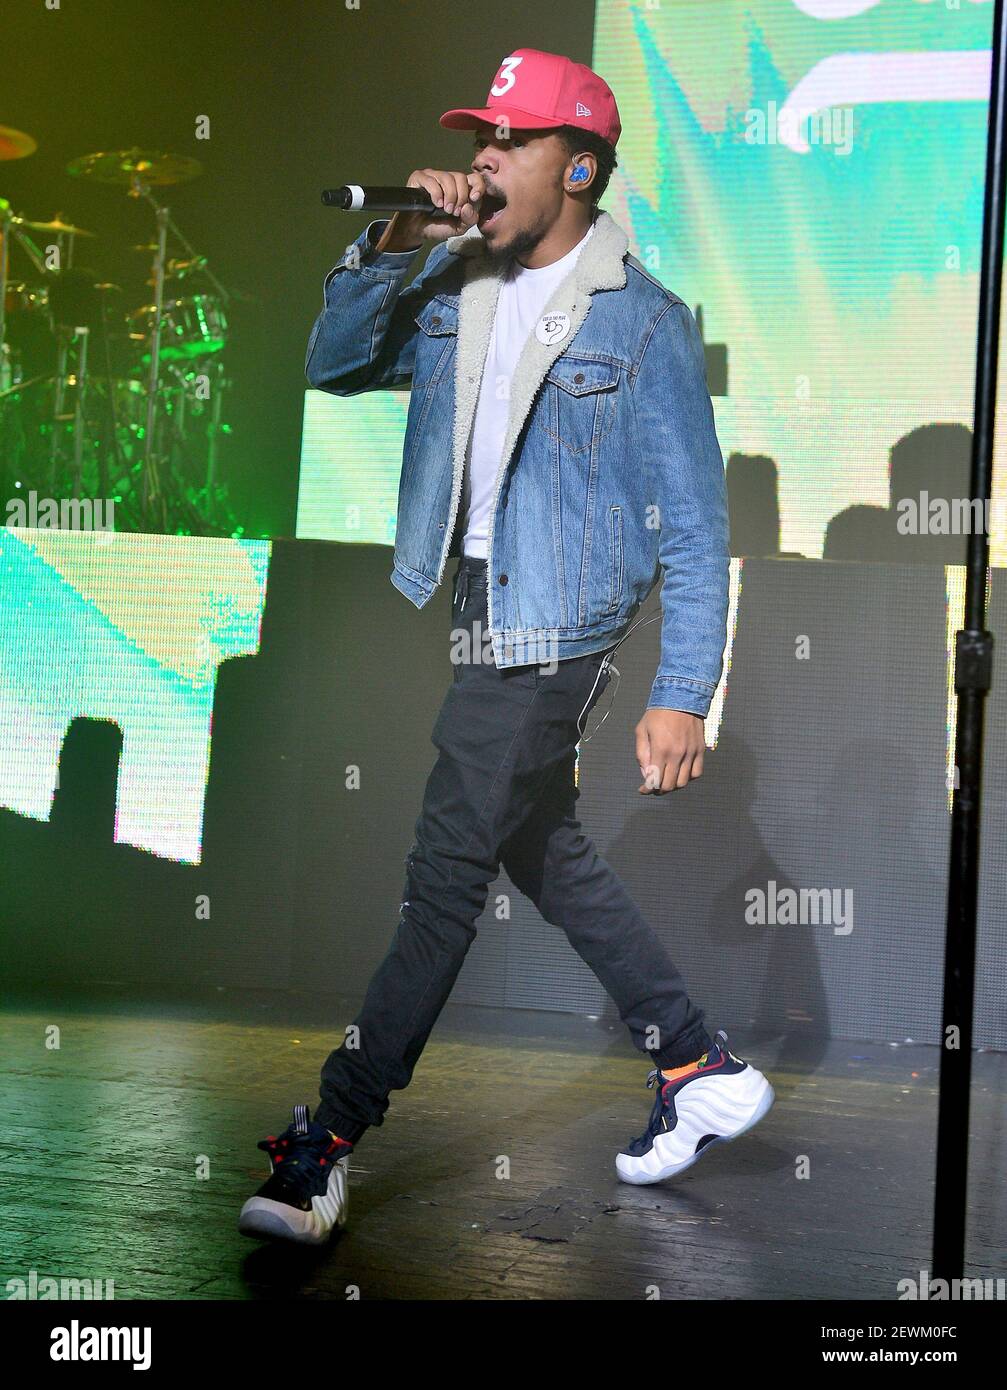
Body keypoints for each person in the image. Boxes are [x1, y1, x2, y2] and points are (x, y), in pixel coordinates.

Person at [239, 48, 774, 1247]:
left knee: (442, 878)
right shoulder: (452, 278)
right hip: (477, 603)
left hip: (557, 630)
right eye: (480, 131)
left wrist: (684, 690)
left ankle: (325, 1138)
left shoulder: (641, 325)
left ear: (577, 167)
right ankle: (694, 1063)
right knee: (541, 849)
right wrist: (400, 242)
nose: (483, 153)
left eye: (513, 137)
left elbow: (693, 531)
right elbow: (329, 365)